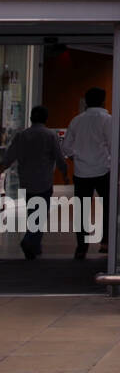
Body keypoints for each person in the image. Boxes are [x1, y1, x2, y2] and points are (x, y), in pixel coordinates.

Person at [0, 107, 66, 260]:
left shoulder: (22, 135)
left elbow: (10, 156)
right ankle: (29, 240)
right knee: (41, 214)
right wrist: (64, 173)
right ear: (46, 118)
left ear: (30, 118)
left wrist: (3, 167)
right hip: (44, 180)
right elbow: (59, 156)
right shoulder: (50, 135)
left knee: (32, 213)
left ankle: (35, 246)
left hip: (26, 180)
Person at [61, 87, 115, 259]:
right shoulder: (108, 120)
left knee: (81, 209)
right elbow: (114, 144)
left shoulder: (76, 120)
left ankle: (81, 246)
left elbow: (66, 147)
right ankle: (105, 242)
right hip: (103, 170)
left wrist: (75, 157)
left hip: (81, 171)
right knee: (108, 207)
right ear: (103, 101)